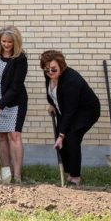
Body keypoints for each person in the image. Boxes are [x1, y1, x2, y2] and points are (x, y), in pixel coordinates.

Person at [41, 50, 100, 186]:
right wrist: (53, 105)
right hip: (66, 110)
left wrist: (62, 135)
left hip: (86, 111)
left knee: (71, 137)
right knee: (61, 139)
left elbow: (70, 111)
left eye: (53, 69)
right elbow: (55, 95)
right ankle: (66, 172)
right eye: (46, 69)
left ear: (61, 66)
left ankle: (75, 177)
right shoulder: (49, 76)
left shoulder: (71, 81)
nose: (50, 72)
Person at [0, 26, 28, 183]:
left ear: (15, 42)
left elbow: (15, 87)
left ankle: (17, 175)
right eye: (3, 41)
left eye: (10, 42)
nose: (6, 45)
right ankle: (6, 172)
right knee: (1, 136)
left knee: (14, 135)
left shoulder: (20, 59)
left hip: (14, 102)